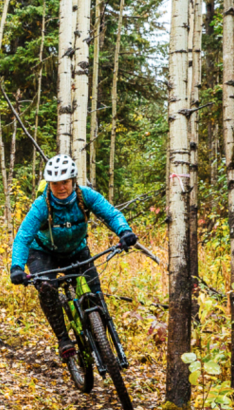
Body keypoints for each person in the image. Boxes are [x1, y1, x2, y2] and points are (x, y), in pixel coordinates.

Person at [10, 154, 138, 359]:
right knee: (46, 287)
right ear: (49, 184)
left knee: (94, 294)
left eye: (65, 182)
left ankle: (101, 340)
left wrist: (124, 231)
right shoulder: (41, 205)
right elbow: (23, 238)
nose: (61, 187)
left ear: (73, 181)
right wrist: (17, 267)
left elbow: (111, 214)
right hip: (43, 253)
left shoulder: (86, 196)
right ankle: (63, 339)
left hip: (76, 251)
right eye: (55, 183)